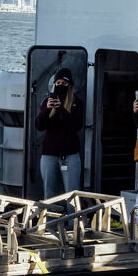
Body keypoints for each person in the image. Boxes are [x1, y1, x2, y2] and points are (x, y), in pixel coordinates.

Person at [35, 68, 82, 197]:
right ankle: (50, 218)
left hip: (70, 156)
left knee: (72, 193)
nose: (61, 86)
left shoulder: (76, 102)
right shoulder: (47, 101)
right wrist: (47, 110)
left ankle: (73, 217)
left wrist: (61, 109)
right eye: (59, 83)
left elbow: (76, 126)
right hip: (49, 155)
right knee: (49, 192)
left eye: (65, 83)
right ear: (54, 84)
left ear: (70, 85)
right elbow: (39, 126)